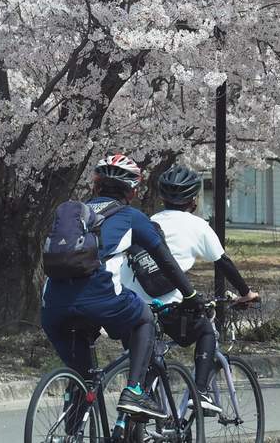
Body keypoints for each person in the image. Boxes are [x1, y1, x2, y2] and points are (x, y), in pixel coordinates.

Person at [40, 153, 201, 421]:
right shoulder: (131, 217)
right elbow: (166, 261)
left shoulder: (76, 216)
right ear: (132, 191)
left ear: (95, 186)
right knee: (144, 318)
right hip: (99, 297)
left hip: (52, 305)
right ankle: (134, 391)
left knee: (84, 376)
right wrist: (191, 295)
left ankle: (72, 426)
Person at [120, 165, 260, 415]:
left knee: (148, 359)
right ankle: (201, 392)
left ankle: (144, 407)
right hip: (170, 305)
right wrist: (246, 293)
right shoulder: (198, 226)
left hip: (132, 304)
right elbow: (223, 263)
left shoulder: (150, 221)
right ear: (193, 200)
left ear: (162, 198)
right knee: (205, 330)